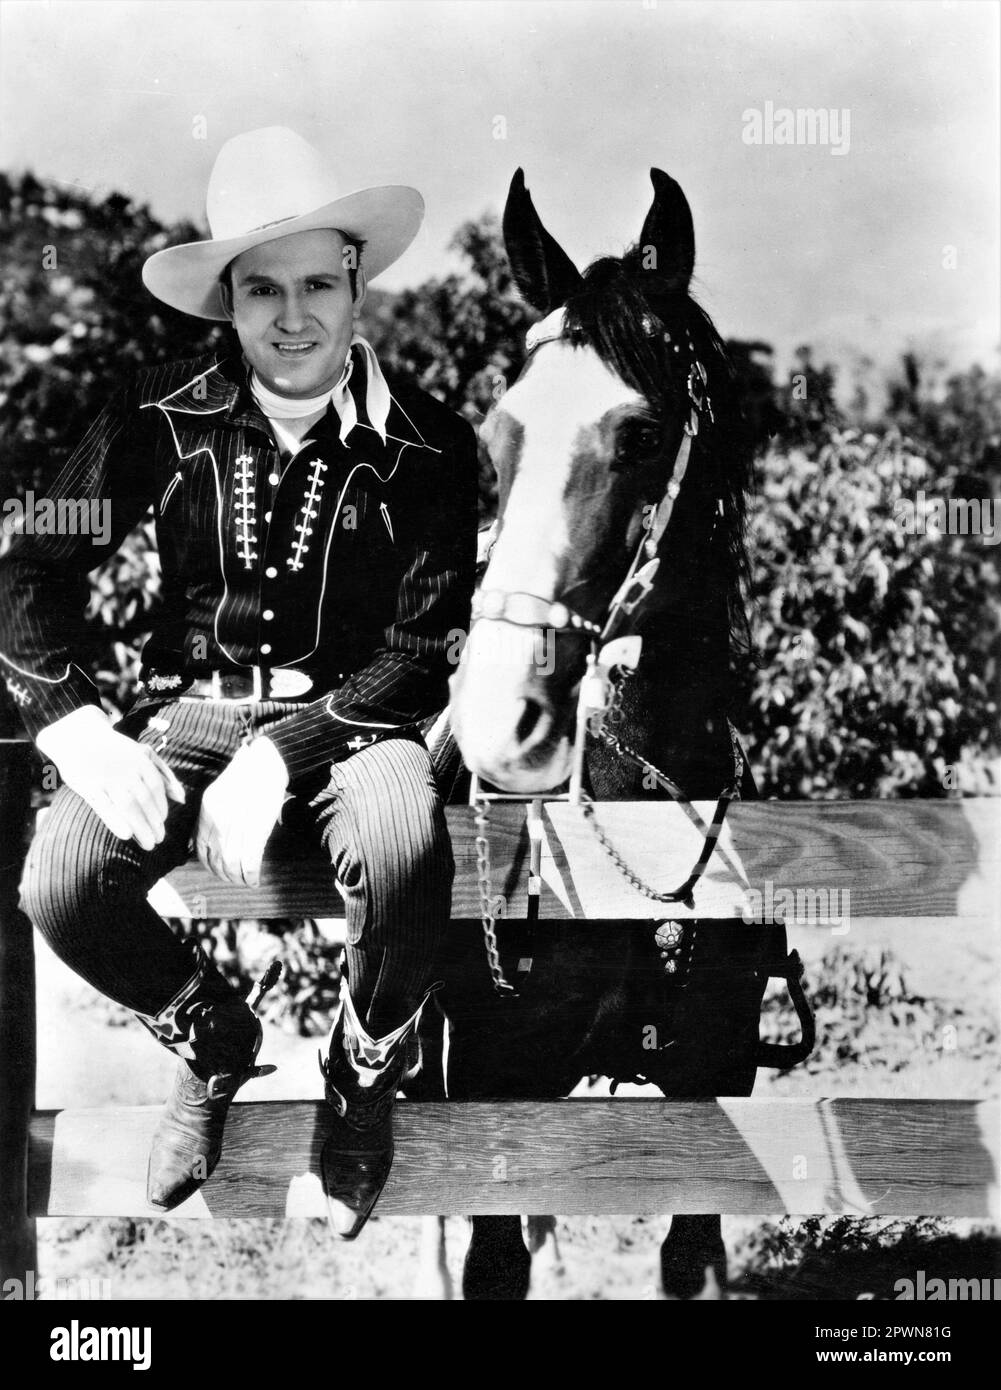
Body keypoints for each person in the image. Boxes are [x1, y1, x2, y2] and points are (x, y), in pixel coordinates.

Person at [0, 127, 478, 1239]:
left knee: (407, 847)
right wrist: (74, 725)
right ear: (226, 300)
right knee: (59, 879)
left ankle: (362, 1068)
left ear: (358, 283)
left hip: (358, 724)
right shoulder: (151, 412)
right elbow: (27, 574)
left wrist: (280, 754)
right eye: (262, 289)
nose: (294, 315)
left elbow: (417, 652)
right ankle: (212, 1030)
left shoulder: (433, 447)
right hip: (191, 712)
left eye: (318, 282)